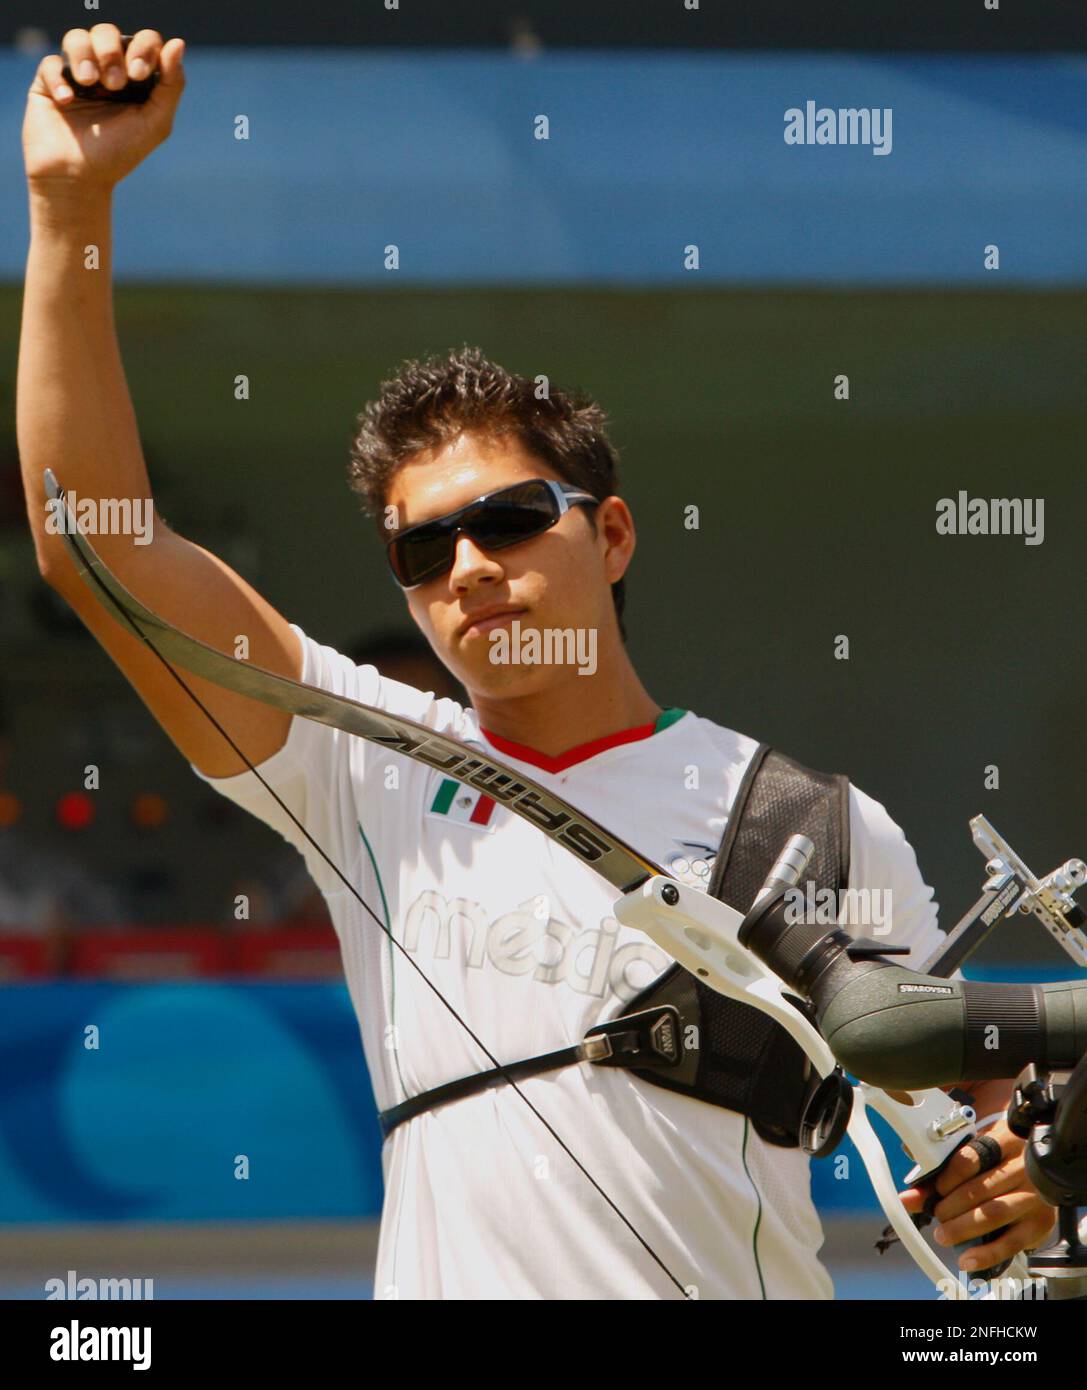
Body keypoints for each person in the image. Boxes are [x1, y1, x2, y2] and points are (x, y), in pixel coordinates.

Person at [17, 25, 1056, 1299]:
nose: (466, 567)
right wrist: (69, 203)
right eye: (421, 548)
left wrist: (1018, 1177)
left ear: (610, 533)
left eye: (509, 520)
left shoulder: (814, 825)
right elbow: (99, 552)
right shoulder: (367, 773)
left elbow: (987, 1097)